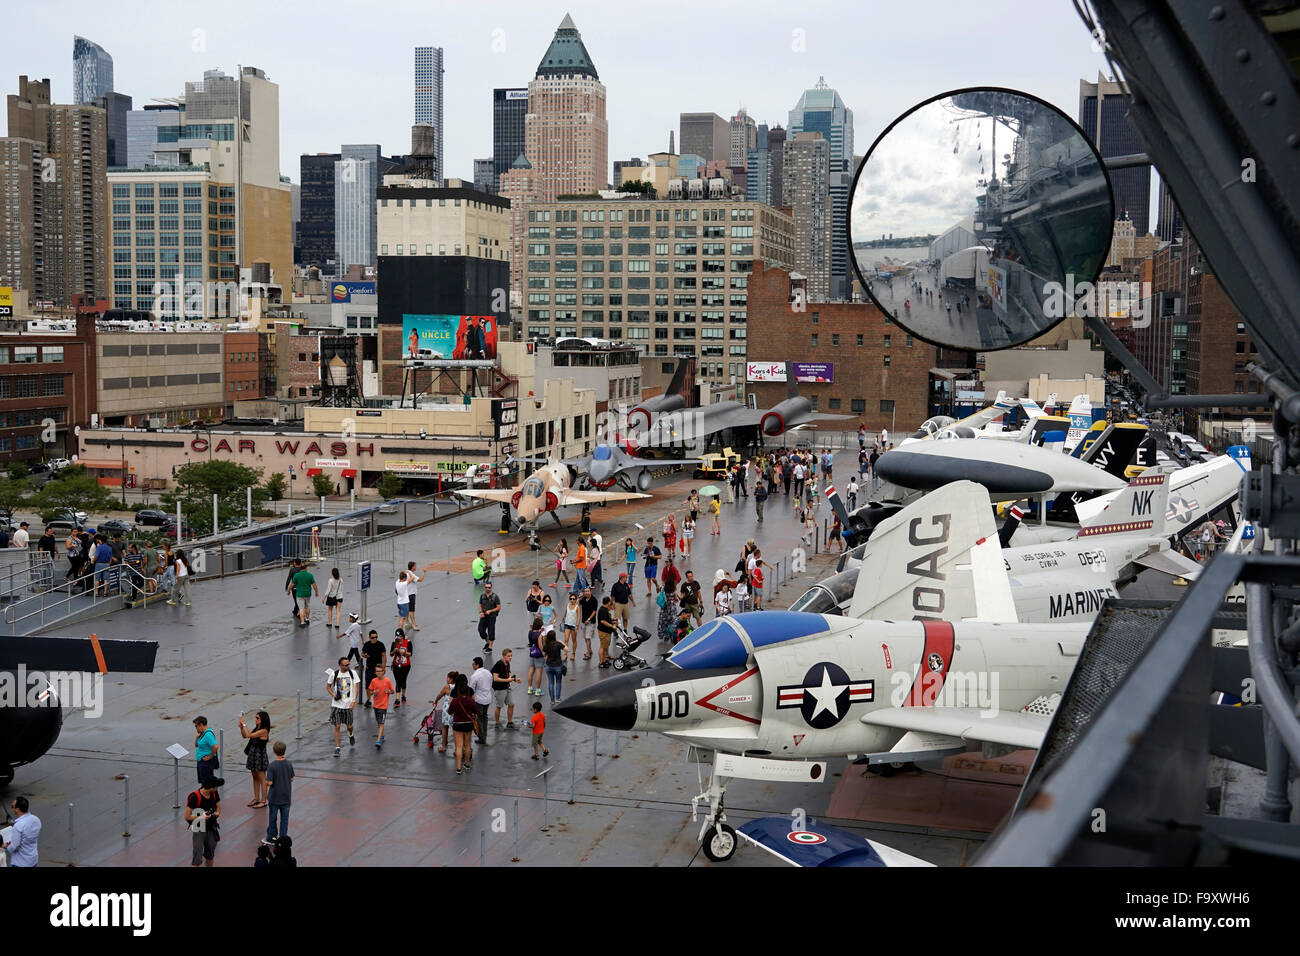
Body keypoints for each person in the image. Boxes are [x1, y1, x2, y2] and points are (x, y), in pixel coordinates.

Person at [185, 777, 222, 868]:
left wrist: (217, 813)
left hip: (211, 827)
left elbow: (218, 807)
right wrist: (201, 817)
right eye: (216, 786)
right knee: (197, 857)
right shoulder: (194, 797)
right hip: (199, 828)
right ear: (211, 787)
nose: (217, 788)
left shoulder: (214, 793)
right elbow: (187, 817)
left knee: (210, 855)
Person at [325, 657, 359, 756]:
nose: (348, 666)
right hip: (336, 705)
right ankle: (337, 747)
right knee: (337, 726)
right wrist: (333, 694)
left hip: (348, 705)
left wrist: (353, 701)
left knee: (349, 726)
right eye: (345, 665)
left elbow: (356, 688)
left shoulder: (353, 673)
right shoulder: (334, 674)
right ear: (340, 665)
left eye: (348, 664)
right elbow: (328, 686)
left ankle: (351, 734)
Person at [238, 709, 270, 808]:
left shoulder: (264, 730)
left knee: (262, 778)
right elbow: (244, 735)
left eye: (257, 718)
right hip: (253, 755)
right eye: (255, 718)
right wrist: (241, 727)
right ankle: (256, 798)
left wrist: (244, 724)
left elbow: (248, 735)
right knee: (255, 777)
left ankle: (264, 800)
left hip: (259, 756)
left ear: (262, 720)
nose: (255, 720)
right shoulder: (257, 728)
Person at [263, 741, 293, 847]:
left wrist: (265, 782)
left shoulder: (272, 766)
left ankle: (271, 837)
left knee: (273, 818)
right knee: (284, 819)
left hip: (275, 797)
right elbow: (292, 778)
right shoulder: (289, 764)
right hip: (286, 797)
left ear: (274, 751)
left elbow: (270, 782)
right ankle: (283, 839)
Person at [449, 679, 478, 774]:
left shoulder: (455, 701)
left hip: (457, 724)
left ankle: (458, 768)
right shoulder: (471, 701)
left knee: (459, 746)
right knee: (467, 745)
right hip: (468, 724)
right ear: (467, 691)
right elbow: (475, 712)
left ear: (458, 691)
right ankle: (467, 763)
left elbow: (450, 712)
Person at [4, 796, 41, 867]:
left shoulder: (18, 826)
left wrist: (6, 848)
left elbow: (14, 846)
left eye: (12, 806)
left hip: (21, 862)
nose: (11, 808)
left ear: (17, 809)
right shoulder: (36, 819)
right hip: (33, 859)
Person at [491, 649, 522, 729]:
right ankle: (497, 723)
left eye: (511, 656)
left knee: (511, 704)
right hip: (499, 689)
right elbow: (495, 678)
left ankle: (510, 722)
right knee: (499, 706)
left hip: (506, 687)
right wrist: (508, 680)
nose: (510, 657)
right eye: (508, 656)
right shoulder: (499, 664)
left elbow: (507, 676)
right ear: (504, 656)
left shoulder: (507, 663)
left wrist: (515, 679)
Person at [431, 671, 459, 753]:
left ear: (451, 679)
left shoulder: (447, 687)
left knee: (445, 727)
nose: (446, 679)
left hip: (447, 710)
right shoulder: (458, 686)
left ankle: (443, 746)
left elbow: (440, 695)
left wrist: (435, 701)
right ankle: (457, 749)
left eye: (447, 678)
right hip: (456, 709)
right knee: (455, 730)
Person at [369, 663, 395, 747]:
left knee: (382, 723)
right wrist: (373, 692)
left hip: (384, 706)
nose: (378, 673)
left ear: (383, 672)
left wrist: (389, 692)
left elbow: (392, 691)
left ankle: (378, 740)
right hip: (376, 705)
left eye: (380, 671)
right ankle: (381, 736)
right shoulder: (373, 681)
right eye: (377, 671)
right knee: (379, 723)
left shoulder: (387, 681)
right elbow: (370, 691)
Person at [469, 657, 493, 746]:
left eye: (473, 664)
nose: (472, 666)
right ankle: (484, 735)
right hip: (488, 698)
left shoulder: (475, 676)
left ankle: (481, 737)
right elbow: (490, 684)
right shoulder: (488, 673)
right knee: (485, 717)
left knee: (479, 718)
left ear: (477, 665)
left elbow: (471, 690)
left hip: (479, 700)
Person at [361, 630, 386, 707]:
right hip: (369, 668)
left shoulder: (380, 645)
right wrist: (365, 656)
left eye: (376, 637)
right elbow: (362, 653)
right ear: (369, 637)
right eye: (372, 637)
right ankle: (369, 699)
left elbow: (384, 655)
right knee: (368, 685)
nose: (374, 639)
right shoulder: (367, 644)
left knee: (378, 685)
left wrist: (383, 667)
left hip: (377, 669)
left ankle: (378, 700)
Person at [390, 628, 413, 708]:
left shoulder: (408, 642)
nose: (398, 638)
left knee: (403, 681)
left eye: (399, 637)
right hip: (396, 665)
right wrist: (395, 651)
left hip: (405, 665)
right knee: (398, 681)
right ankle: (397, 699)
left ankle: (403, 695)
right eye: (397, 637)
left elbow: (410, 653)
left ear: (403, 636)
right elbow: (391, 654)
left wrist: (404, 652)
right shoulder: (394, 642)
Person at [194, 715, 219, 785]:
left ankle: (211, 795)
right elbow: (196, 745)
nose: (196, 728)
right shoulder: (202, 734)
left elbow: (215, 746)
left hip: (206, 762)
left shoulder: (208, 734)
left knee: (207, 783)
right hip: (201, 762)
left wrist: (210, 757)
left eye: (196, 726)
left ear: (201, 725)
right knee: (204, 782)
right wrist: (196, 738)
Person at [543, 628, 565, 703]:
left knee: (550, 683)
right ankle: (558, 698)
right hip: (558, 666)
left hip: (549, 666)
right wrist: (561, 642)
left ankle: (552, 700)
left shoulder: (546, 645)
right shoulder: (558, 644)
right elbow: (567, 649)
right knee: (558, 682)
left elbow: (544, 654)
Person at [478, 581, 501, 654]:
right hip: (483, 616)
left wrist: (490, 611)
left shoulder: (495, 597)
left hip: (491, 617)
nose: (487, 589)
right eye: (486, 587)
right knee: (481, 630)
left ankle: (490, 647)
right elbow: (480, 605)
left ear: (491, 588)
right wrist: (481, 612)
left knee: (491, 631)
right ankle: (488, 642)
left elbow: (498, 607)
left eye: (489, 587)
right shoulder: (482, 596)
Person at [526, 616, 545, 698]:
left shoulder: (530, 632)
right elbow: (541, 645)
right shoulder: (540, 635)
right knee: (539, 672)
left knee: (531, 670)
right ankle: (538, 690)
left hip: (532, 652)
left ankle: (530, 688)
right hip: (539, 655)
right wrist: (544, 653)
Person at [578, 586, 598, 661]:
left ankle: (588, 653)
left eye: (588, 591)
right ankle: (590, 649)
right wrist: (579, 597)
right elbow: (577, 604)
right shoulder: (584, 599)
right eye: (585, 591)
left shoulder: (594, 600)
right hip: (583, 621)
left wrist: (589, 619)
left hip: (590, 622)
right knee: (586, 638)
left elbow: (594, 611)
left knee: (587, 637)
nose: (586, 592)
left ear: (590, 592)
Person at [405, 560, 426, 630]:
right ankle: (414, 625)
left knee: (407, 609)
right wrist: (423, 573)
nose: (416, 567)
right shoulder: (411, 574)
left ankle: (407, 622)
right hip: (411, 595)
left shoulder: (406, 573)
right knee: (412, 610)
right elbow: (420, 580)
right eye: (415, 566)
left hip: (405, 594)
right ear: (412, 567)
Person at [596, 596, 617, 668]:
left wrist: (612, 620)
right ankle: (601, 662)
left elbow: (606, 619)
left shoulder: (605, 609)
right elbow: (603, 621)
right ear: (608, 602)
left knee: (605, 646)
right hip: (603, 631)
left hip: (606, 631)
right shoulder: (603, 610)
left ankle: (604, 660)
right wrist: (611, 626)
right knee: (602, 647)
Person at [562, 592, 580, 662]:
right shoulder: (568, 605)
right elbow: (566, 613)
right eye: (571, 599)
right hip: (567, 624)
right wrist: (562, 619)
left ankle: (573, 653)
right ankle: (565, 654)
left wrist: (577, 626)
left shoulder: (577, 607)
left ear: (576, 600)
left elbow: (578, 617)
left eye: (573, 599)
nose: (572, 600)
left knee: (574, 640)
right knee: (566, 640)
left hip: (573, 626)